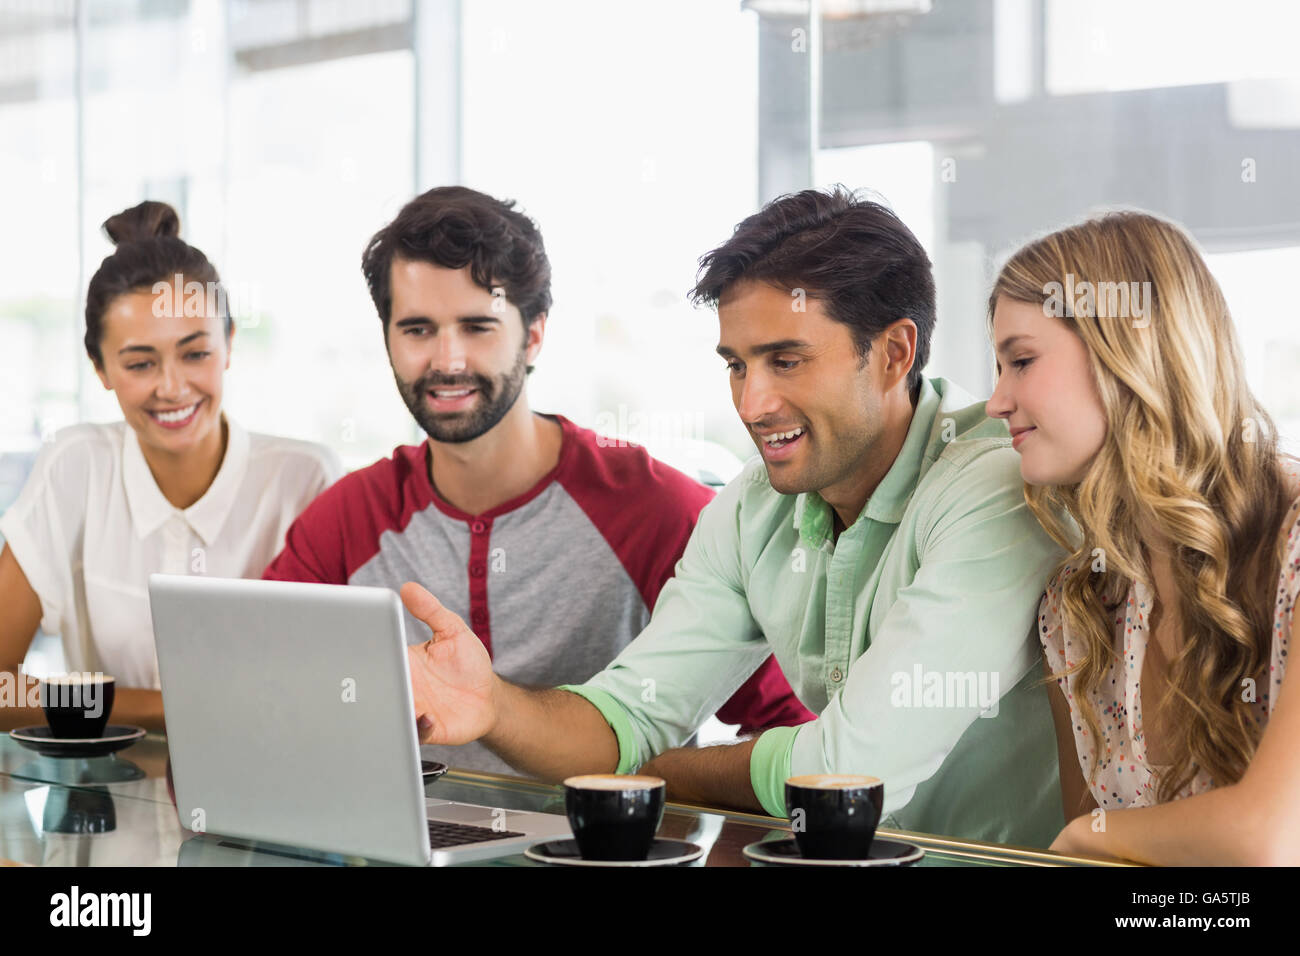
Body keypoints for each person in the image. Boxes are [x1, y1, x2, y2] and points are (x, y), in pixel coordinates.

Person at [400, 186, 1070, 847]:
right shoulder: (754, 508)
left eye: (786, 361)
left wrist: (655, 773)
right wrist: (491, 703)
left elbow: (842, 773)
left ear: (894, 353)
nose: (752, 404)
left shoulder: (994, 486)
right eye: (737, 366)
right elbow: (623, 717)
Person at [262, 186, 813, 774]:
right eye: (418, 330)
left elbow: (793, 734)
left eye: (477, 327)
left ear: (534, 334)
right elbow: (253, 694)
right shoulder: (347, 517)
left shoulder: (656, 508)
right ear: (388, 339)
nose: (447, 360)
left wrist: (657, 791)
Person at [986, 209, 1300, 865]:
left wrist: (1079, 836)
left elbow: (1269, 837)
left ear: (1127, 349)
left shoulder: (1293, 547)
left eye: (1021, 361)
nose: (996, 402)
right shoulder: (1078, 607)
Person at [0, 201, 340, 731]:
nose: (172, 387)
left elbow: (345, 687)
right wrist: (169, 710)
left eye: (195, 353)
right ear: (100, 369)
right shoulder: (76, 466)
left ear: (228, 344)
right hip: (110, 794)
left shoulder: (304, 480)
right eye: (139, 363)